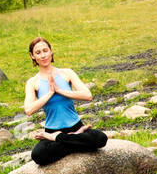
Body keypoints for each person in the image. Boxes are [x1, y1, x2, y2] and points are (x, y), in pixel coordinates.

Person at [23, 36, 109, 166]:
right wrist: (50, 93)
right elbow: (29, 110)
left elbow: (88, 95)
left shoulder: (66, 73)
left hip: (75, 126)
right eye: (38, 53)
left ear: (51, 51)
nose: (43, 55)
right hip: (51, 130)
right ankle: (75, 139)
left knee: (101, 138)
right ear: (32, 56)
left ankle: (61, 139)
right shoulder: (33, 82)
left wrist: (60, 91)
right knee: (38, 155)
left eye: (45, 51)